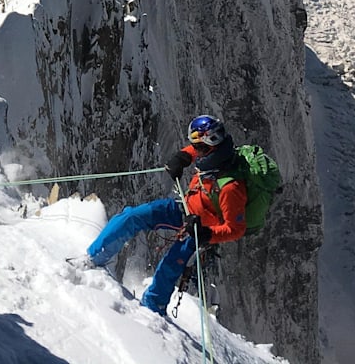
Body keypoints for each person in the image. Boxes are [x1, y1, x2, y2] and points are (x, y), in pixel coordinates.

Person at [85, 114, 247, 315]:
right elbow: (197, 150)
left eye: (198, 148)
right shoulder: (214, 156)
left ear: (210, 145)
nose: (195, 151)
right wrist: (184, 156)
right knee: (133, 216)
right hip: (184, 209)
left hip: (199, 230)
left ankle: (153, 310)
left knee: (169, 267)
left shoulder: (231, 187)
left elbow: (236, 229)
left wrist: (206, 234)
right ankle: (95, 257)